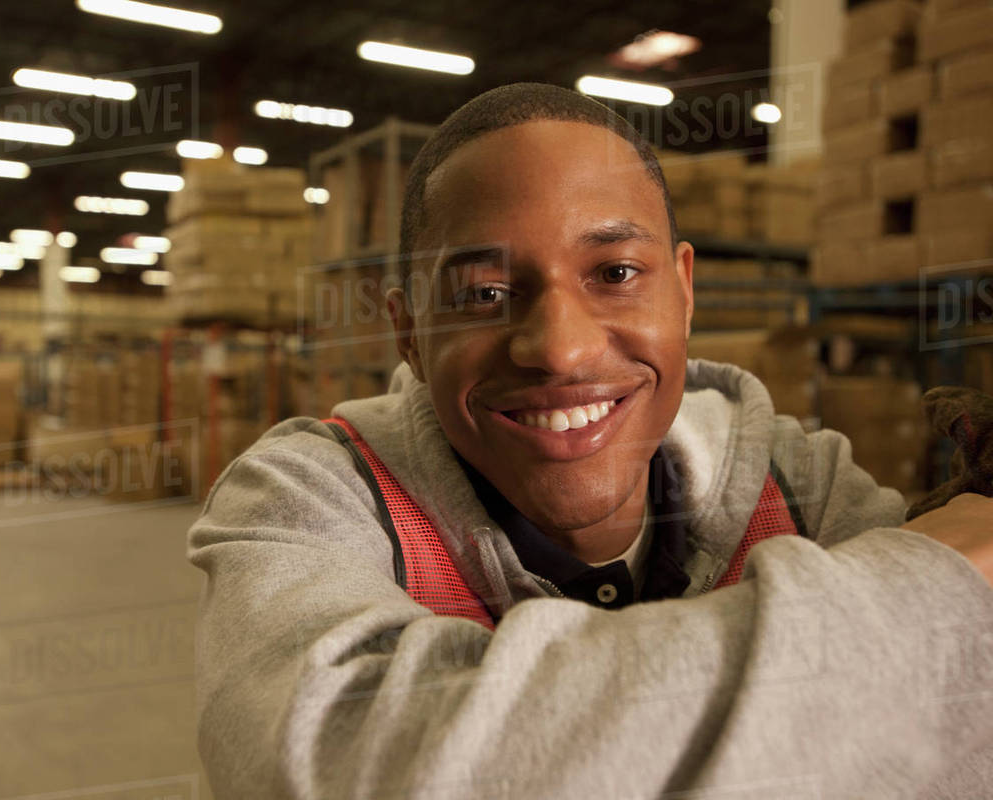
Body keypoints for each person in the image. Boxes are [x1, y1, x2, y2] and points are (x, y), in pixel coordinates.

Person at [187, 83, 993, 798]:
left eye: (614, 274)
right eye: (485, 292)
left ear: (682, 291)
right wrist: (927, 581)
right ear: (407, 331)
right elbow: (343, 767)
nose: (561, 349)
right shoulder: (303, 498)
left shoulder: (804, 487)